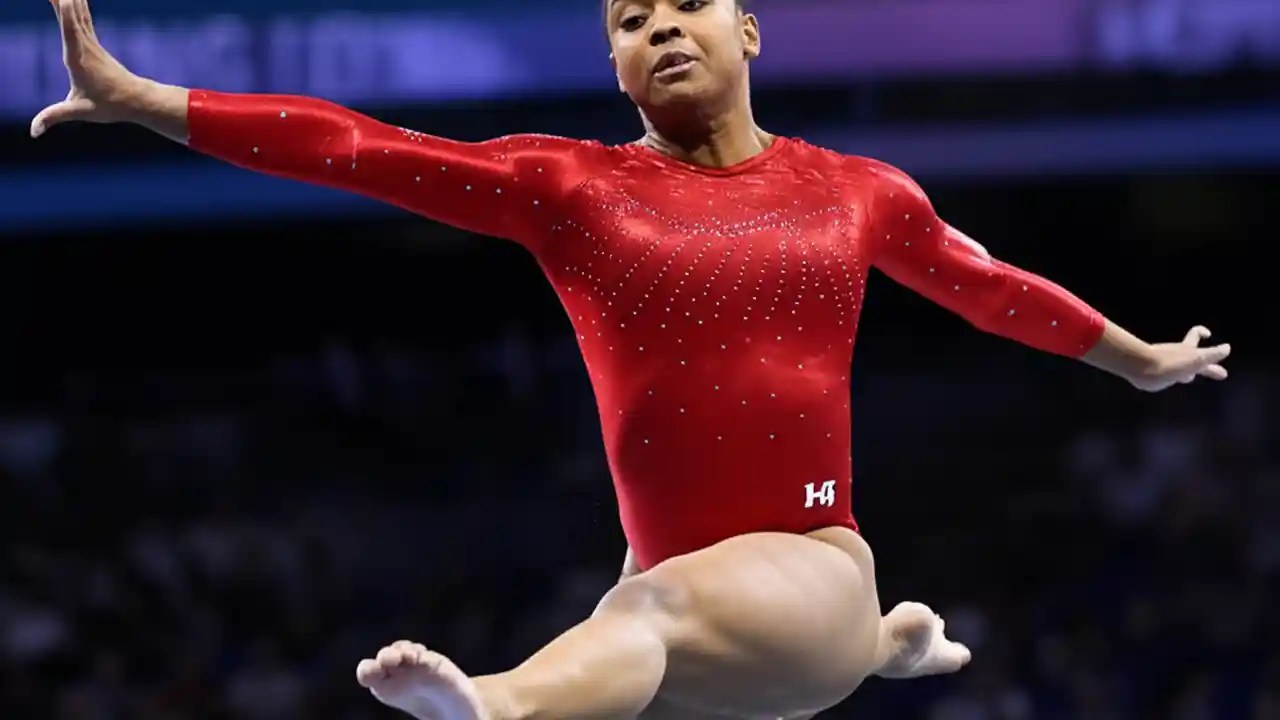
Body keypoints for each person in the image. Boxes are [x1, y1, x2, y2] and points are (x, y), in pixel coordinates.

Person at [32, 0, 1233, 718]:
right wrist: (149, 98)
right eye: (624, 18)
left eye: (683, 2)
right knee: (663, 610)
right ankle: (896, 644)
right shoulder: (570, 190)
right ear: (611, 67)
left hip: (807, 561)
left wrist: (1134, 359)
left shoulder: (856, 193)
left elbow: (987, 290)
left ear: (747, 28)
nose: (657, 24)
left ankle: (500, 702)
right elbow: (359, 146)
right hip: (702, 620)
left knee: (643, 610)